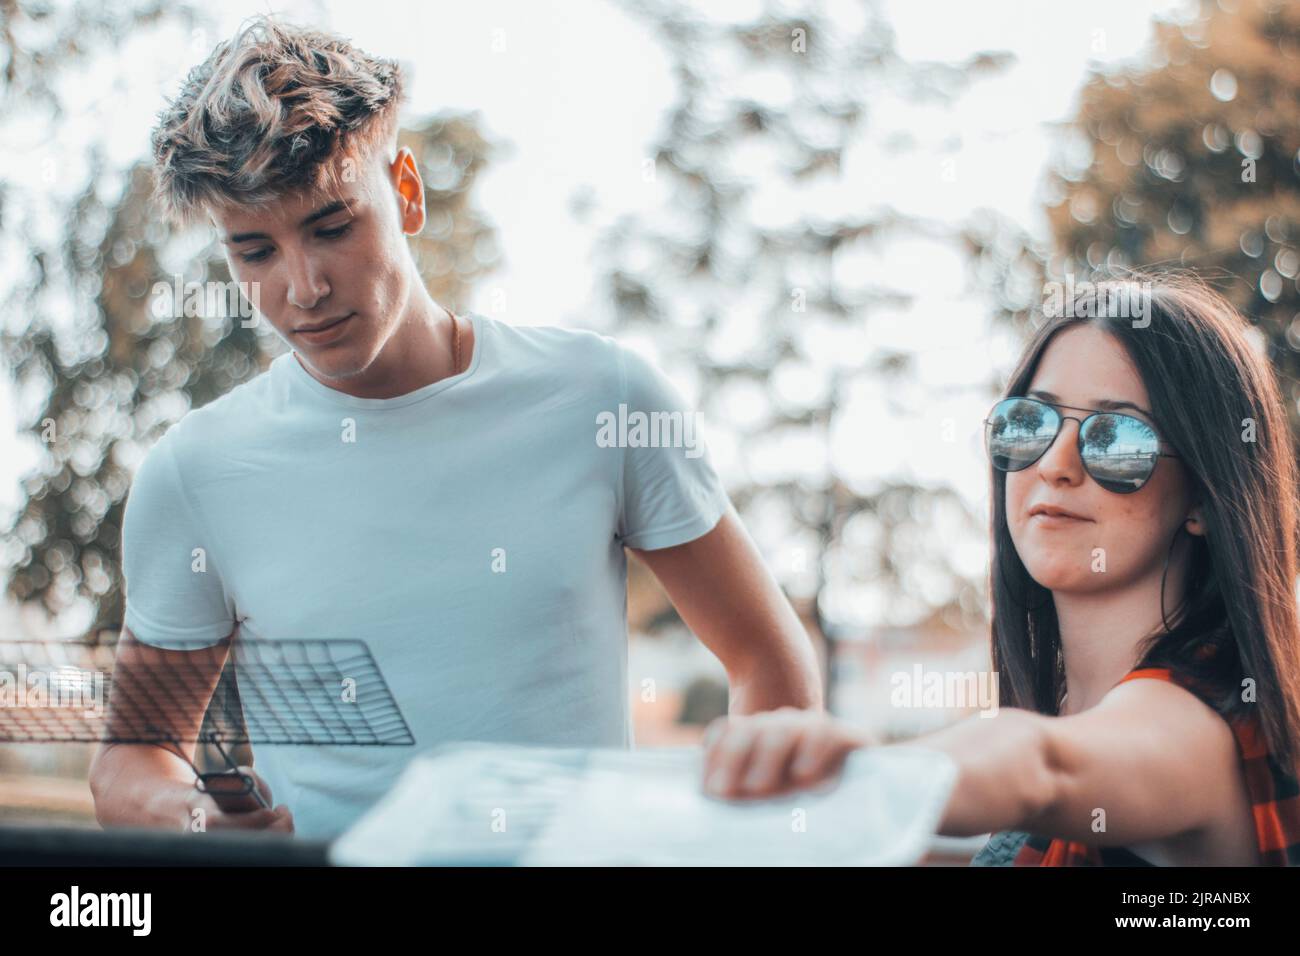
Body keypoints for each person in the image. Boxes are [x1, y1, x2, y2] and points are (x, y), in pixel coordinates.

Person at [89, 15, 821, 841]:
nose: (302, 287)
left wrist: (745, 833)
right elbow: (130, 759)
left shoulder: (603, 399)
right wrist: (194, 817)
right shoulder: (197, 472)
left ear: (405, 189)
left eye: (332, 227)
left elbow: (769, 662)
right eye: (253, 251)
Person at [701, 274, 1300, 866]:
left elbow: (1039, 767)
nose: (1056, 465)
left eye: (1116, 436)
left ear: (1202, 497)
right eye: (1030, 423)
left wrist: (869, 777)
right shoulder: (1073, 716)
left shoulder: (1198, 725)